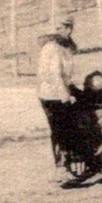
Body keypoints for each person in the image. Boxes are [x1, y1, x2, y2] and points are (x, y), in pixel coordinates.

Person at [36, 17, 81, 166]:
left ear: (69, 29)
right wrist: (65, 97)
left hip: (59, 90)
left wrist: (73, 89)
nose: (57, 31)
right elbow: (55, 74)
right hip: (51, 94)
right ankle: (62, 164)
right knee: (60, 128)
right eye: (56, 29)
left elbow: (65, 74)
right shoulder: (53, 48)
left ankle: (75, 156)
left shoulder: (65, 47)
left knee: (67, 125)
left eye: (60, 28)